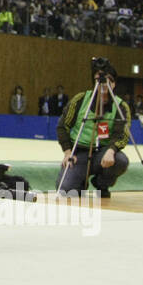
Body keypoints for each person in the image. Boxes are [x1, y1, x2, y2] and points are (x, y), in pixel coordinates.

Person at [56, 60, 130, 198]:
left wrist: (111, 150)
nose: (103, 83)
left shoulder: (121, 106)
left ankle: (102, 184)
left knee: (121, 160)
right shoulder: (80, 99)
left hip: (103, 152)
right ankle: (80, 181)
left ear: (114, 84)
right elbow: (62, 126)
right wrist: (67, 152)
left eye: (108, 80)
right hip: (79, 153)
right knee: (66, 190)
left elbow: (122, 135)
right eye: (99, 79)